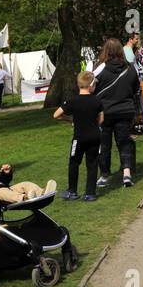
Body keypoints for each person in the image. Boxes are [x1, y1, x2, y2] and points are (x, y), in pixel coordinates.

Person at [92, 38, 141, 189]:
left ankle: (104, 175)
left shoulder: (100, 69)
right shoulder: (130, 68)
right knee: (124, 142)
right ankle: (126, 173)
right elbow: (135, 89)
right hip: (125, 110)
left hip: (104, 112)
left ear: (105, 51)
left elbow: (92, 88)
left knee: (104, 145)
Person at [54, 70, 104, 201]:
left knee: (74, 162)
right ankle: (90, 193)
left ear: (78, 84)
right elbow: (101, 119)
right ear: (91, 85)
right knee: (92, 163)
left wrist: (70, 120)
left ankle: (72, 191)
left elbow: (56, 115)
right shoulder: (97, 100)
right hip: (94, 136)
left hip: (79, 137)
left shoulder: (73, 100)